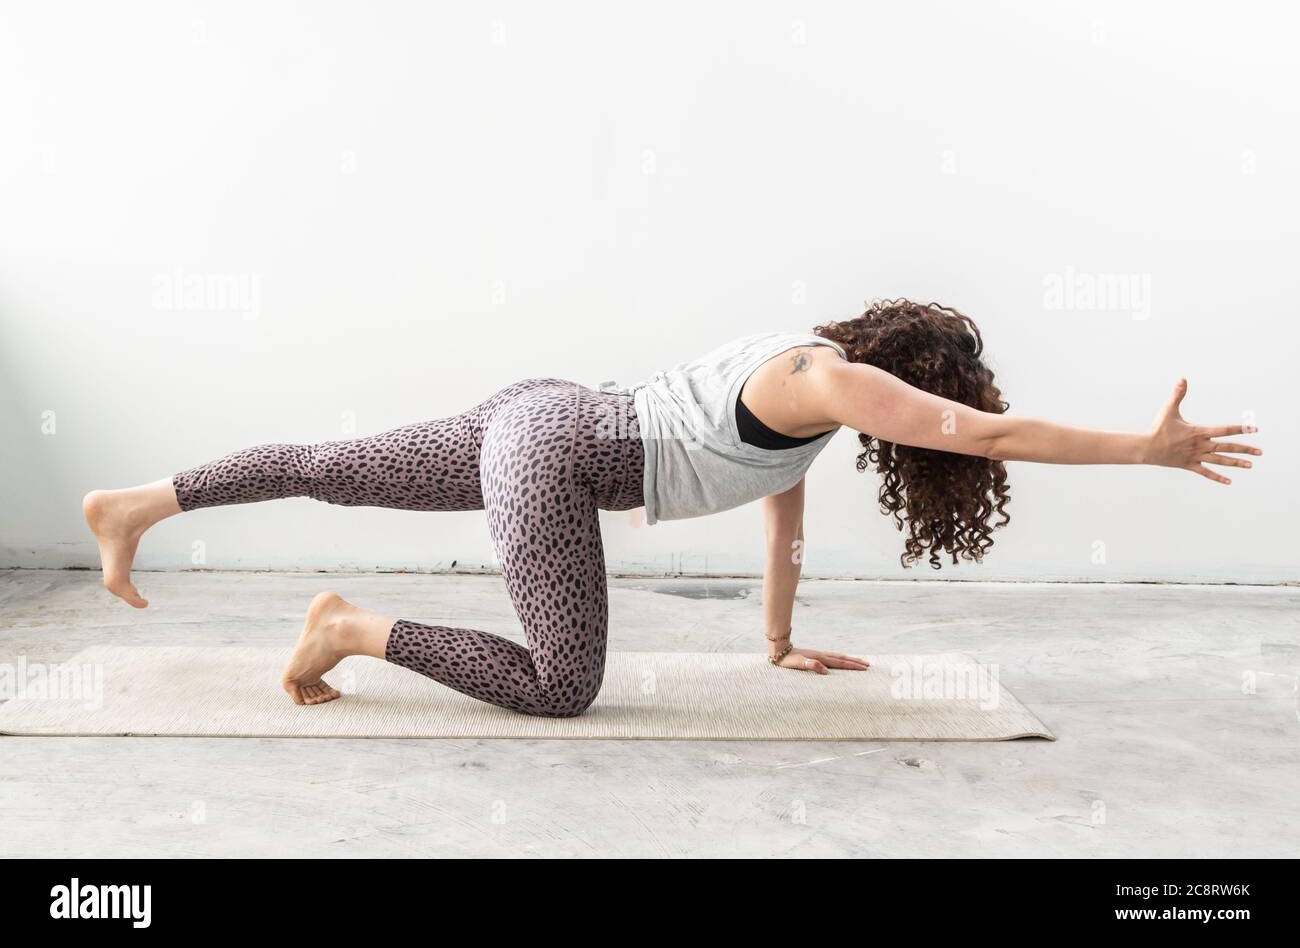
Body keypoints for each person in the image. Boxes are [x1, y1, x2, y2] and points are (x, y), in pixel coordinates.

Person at [82, 298, 1261, 717]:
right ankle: (344, 626)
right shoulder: (826, 378)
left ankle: (139, 501)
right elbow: (992, 436)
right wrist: (1141, 451)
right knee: (561, 685)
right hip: (559, 449)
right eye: (929, 395)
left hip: (542, 419)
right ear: (907, 374)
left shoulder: (807, 411)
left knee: (332, 463)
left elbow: (780, 525)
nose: (922, 415)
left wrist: (778, 641)